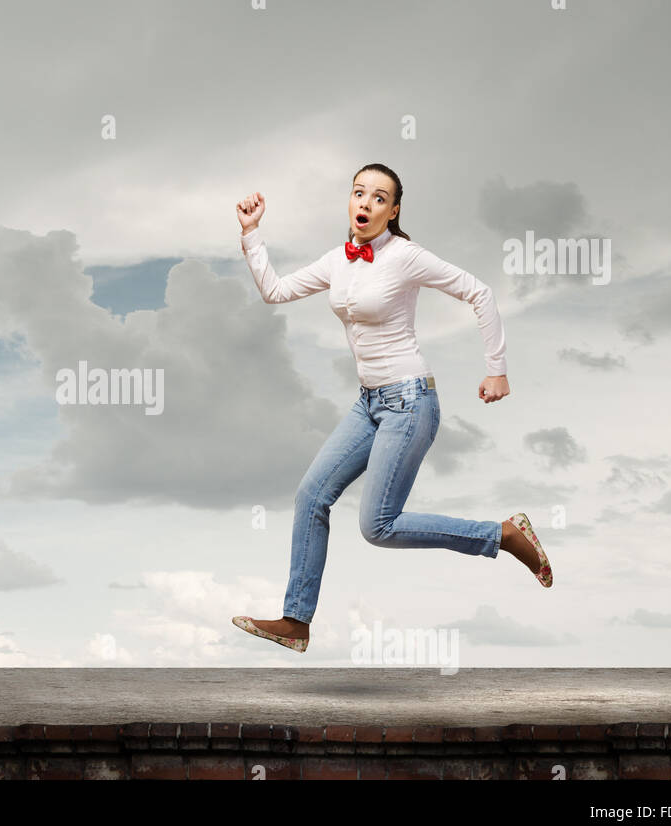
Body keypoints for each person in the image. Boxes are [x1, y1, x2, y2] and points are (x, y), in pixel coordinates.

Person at [231, 163, 552, 654]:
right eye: (359, 193)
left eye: (379, 198)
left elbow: (478, 292)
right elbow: (275, 291)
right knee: (311, 496)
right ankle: (296, 621)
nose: (366, 203)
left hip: (410, 403)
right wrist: (252, 234)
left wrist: (497, 368)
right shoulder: (338, 260)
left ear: (393, 210)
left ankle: (503, 535)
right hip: (369, 405)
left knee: (377, 527)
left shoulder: (406, 257)